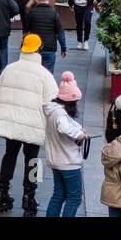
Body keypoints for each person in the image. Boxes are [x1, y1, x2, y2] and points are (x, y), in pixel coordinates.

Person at [0, 34, 59, 216]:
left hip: (12, 123)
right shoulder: (44, 75)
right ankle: (29, 197)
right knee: (33, 159)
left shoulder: (10, 69)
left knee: (9, 155)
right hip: (34, 125)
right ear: (39, 50)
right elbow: (53, 103)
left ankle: (2, 192)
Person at [43, 72, 88, 217]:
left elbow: (66, 125)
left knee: (59, 195)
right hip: (68, 162)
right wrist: (80, 134)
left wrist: (78, 129)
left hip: (56, 160)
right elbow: (64, 127)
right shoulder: (60, 114)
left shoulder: (53, 111)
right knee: (74, 198)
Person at [23, 0, 62, 74]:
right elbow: (59, 32)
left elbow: (26, 31)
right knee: (48, 73)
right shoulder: (54, 13)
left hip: (35, 47)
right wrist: (63, 48)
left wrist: (24, 44)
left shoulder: (32, 13)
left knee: (34, 72)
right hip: (50, 47)